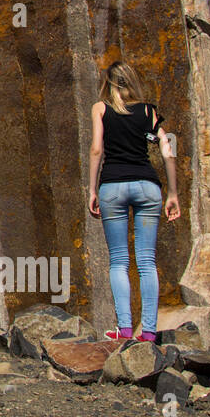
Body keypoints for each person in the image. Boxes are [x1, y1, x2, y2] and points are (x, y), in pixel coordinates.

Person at [87, 61, 180, 342]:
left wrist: (91, 189)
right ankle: (149, 332)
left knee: (118, 260)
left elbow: (96, 149)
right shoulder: (149, 111)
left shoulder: (100, 108)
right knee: (147, 262)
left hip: (113, 186)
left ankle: (125, 329)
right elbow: (167, 148)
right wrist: (173, 192)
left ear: (108, 82)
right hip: (147, 186)